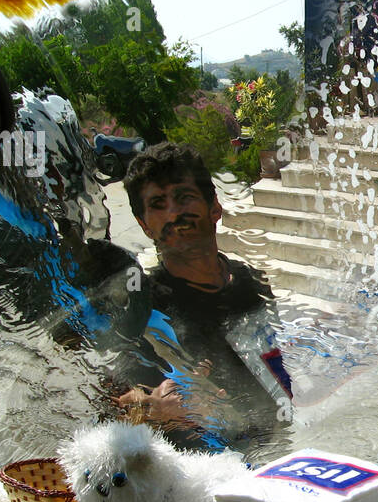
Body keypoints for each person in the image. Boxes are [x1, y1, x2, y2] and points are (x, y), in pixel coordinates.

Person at [111, 142, 289, 450]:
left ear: (214, 208)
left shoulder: (250, 282)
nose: (174, 213)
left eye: (184, 197)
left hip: (278, 449)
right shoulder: (145, 309)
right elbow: (113, 405)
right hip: (210, 471)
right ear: (144, 226)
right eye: (157, 204)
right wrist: (155, 409)